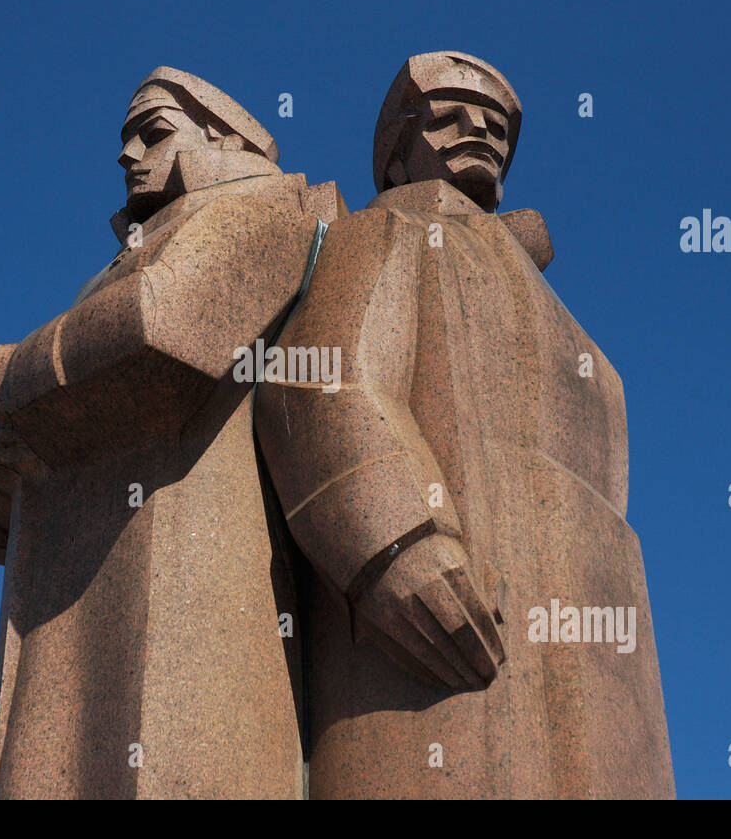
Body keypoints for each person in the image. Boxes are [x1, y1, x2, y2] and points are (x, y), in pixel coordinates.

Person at [254, 51, 675, 798]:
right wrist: (396, 545)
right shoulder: (390, 229)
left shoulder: (566, 326)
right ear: (395, 154)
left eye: (497, 124)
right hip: (437, 638)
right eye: (449, 114)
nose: (479, 128)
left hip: (593, 667)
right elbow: (319, 378)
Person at [0, 67, 344, 798]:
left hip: (196, 588)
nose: (128, 153)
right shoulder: (103, 277)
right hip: (55, 618)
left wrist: (6, 377)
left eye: (153, 131)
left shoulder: (267, 206)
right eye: (127, 138)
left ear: (223, 137)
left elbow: (161, 330)